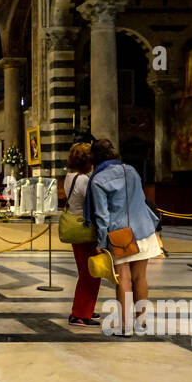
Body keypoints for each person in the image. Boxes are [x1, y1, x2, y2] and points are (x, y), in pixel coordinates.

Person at [86, 138, 163, 336]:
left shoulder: (98, 180)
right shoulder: (130, 170)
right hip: (144, 228)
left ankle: (124, 326)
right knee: (141, 277)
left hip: (121, 233)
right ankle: (141, 321)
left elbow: (102, 216)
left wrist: (102, 242)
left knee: (124, 279)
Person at [59, 142, 100, 327]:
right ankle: (80, 314)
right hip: (84, 227)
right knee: (90, 272)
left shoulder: (70, 176)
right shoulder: (83, 180)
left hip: (75, 226)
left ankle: (86, 308)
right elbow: (92, 202)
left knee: (86, 270)